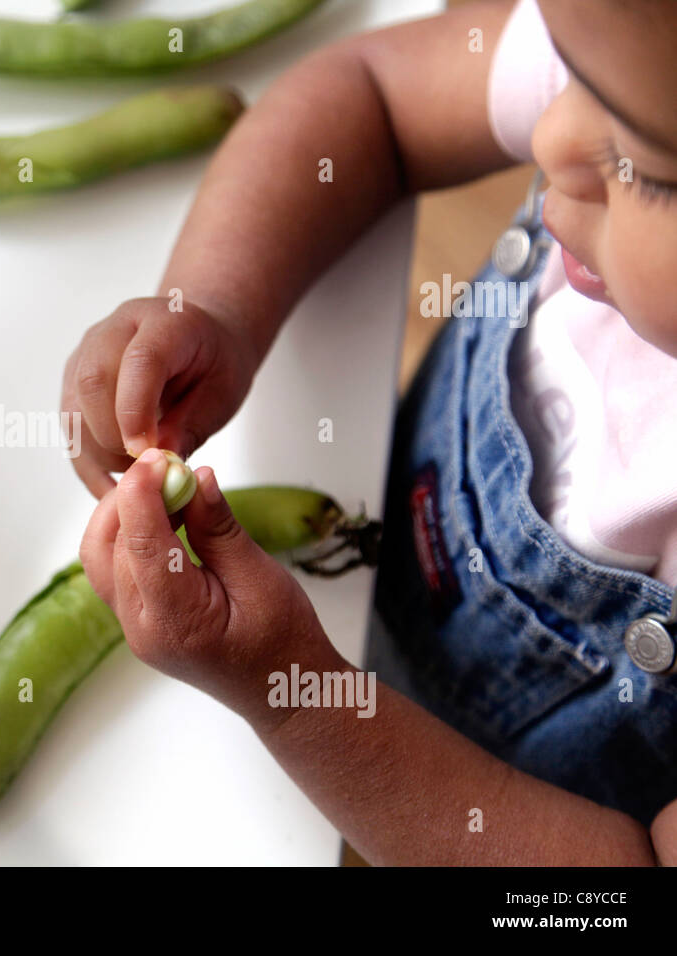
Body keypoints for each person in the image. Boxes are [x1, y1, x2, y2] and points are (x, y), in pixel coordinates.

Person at [64, 0, 677, 864]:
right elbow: (371, 96)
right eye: (568, 71)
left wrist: (294, 695)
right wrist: (217, 307)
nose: (550, 142)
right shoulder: (640, 49)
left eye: (646, 168)